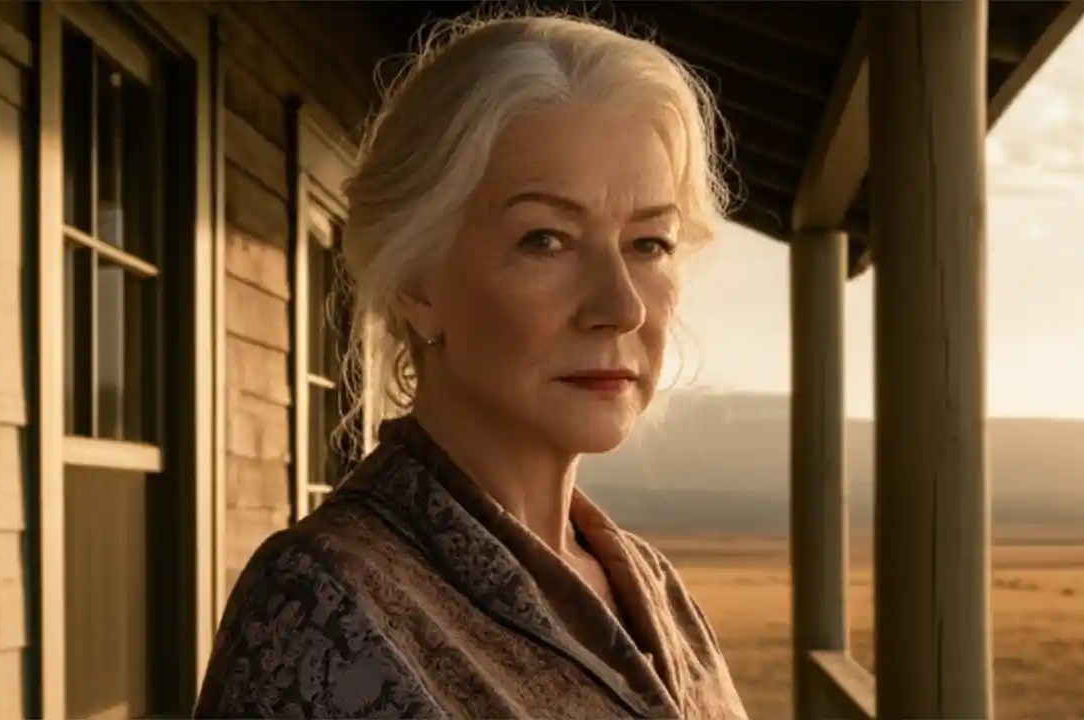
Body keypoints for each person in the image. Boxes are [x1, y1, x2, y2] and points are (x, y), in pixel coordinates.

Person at [194, 10, 746, 719]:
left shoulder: (655, 587)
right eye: (546, 239)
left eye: (649, 244)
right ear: (416, 286)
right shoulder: (321, 609)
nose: (621, 307)